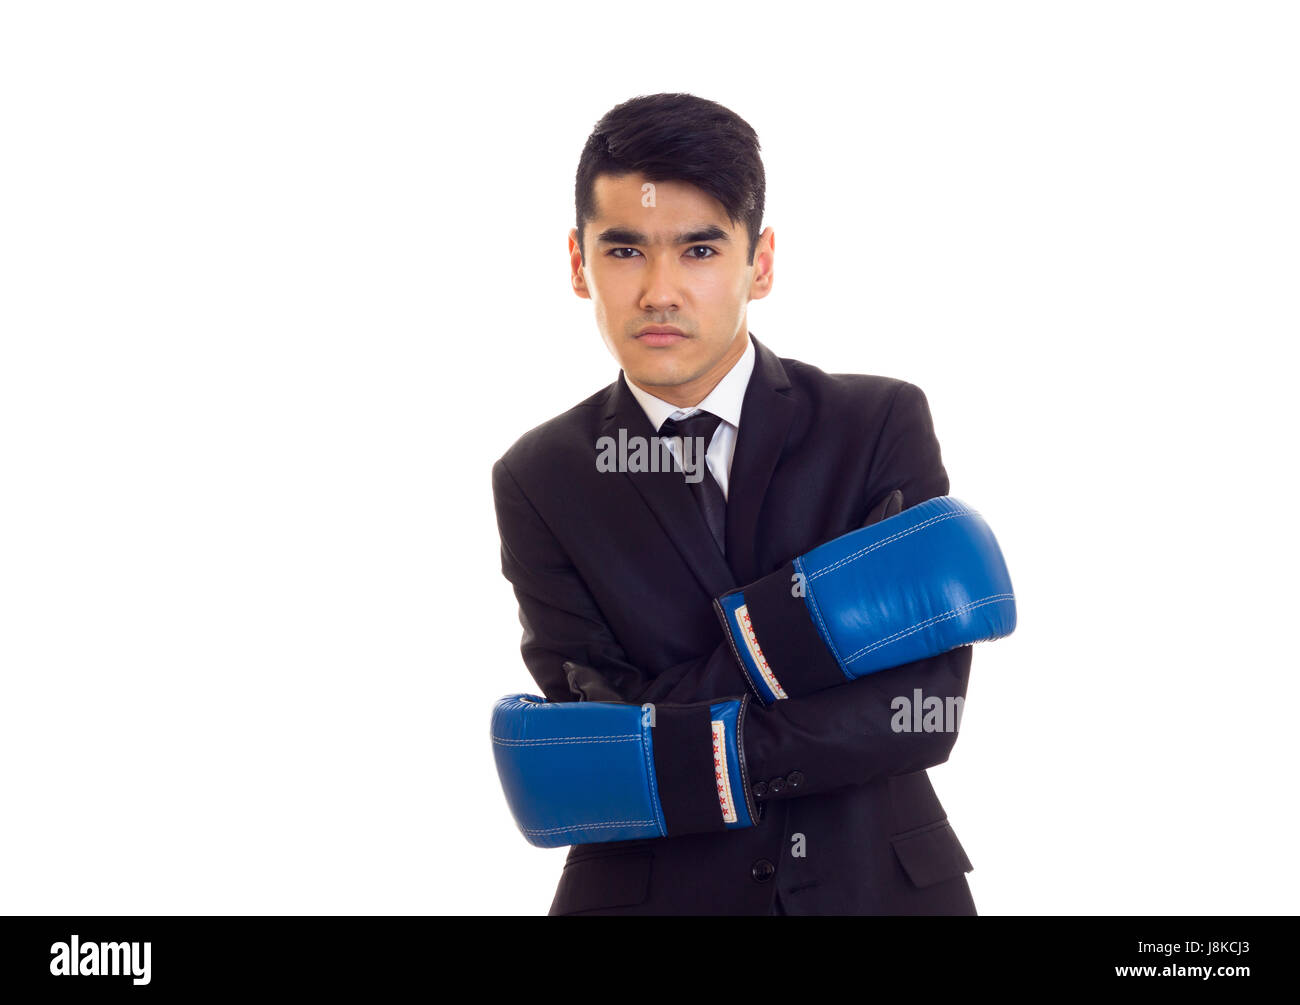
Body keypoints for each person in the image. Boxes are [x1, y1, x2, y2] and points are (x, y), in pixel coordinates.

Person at [490, 92, 976, 915]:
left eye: (701, 248)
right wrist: (827, 640)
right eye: (625, 250)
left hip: (879, 890)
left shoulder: (878, 423)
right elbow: (600, 751)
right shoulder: (539, 477)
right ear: (579, 264)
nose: (660, 291)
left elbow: (919, 712)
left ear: (763, 261)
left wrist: (689, 740)